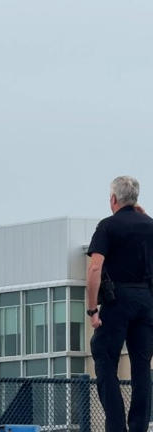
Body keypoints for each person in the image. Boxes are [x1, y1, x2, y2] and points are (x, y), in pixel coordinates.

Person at [87, 176, 153, 432]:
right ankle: (138, 427)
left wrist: (93, 310)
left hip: (118, 299)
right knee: (142, 367)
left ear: (113, 199)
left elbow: (95, 268)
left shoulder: (108, 226)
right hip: (146, 301)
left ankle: (116, 426)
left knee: (104, 357)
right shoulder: (150, 226)